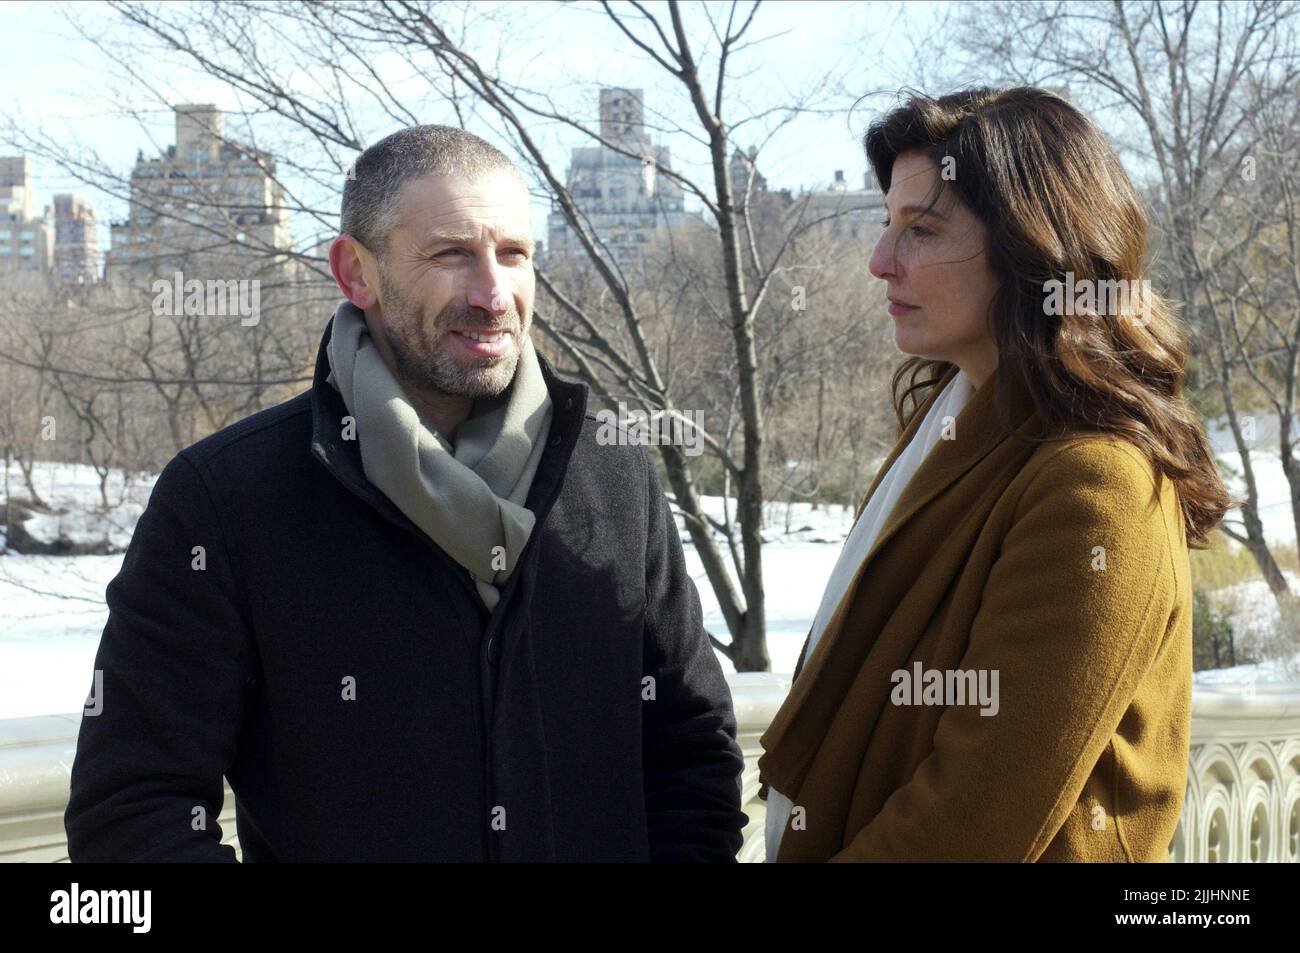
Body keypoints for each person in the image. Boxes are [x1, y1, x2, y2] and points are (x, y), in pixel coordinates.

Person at [65, 124, 747, 862]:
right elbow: (132, 811)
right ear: (356, 272)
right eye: (453, 254)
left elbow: (692, 760)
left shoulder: (615, 474)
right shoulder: (225, 498)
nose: (494, 294)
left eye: (514, 254)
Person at [758, 87, 1232, 862]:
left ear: (1033, 249)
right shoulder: (952, 420)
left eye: (924, 229)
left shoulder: (1098, 487)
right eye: (887, 225)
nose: (881, 262)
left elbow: (973, 819)